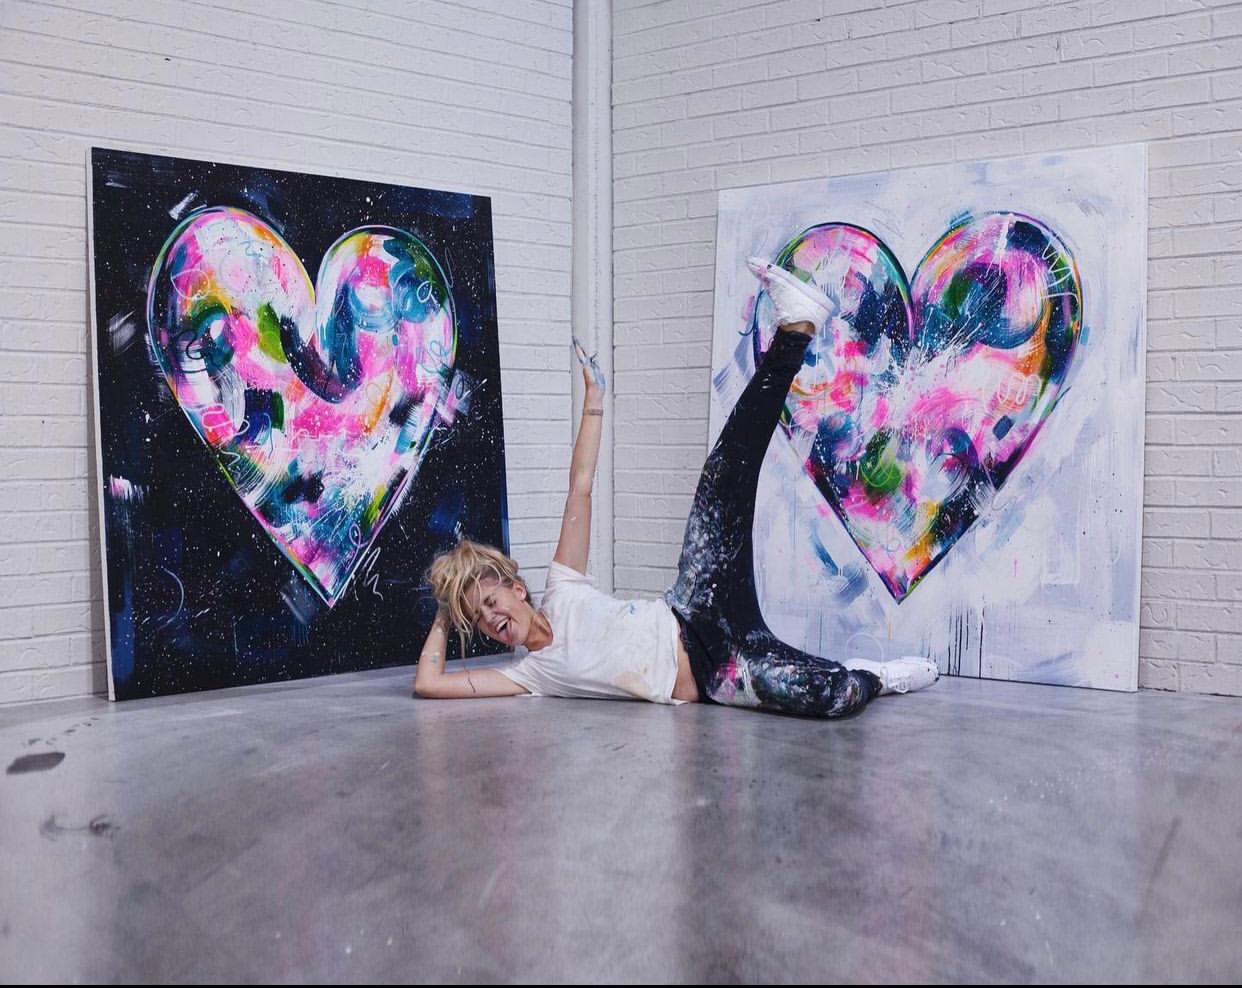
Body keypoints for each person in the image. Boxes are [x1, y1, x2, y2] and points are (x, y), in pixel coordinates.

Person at [412, 259, 939, 716]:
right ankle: (877, 676)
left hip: (695, 606)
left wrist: (594, 400)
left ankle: (795, 328)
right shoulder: (530, 675)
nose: (492, 618)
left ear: (516, 588)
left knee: (721, 484)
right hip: (718, 676)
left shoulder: (563, 589)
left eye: (490, 601)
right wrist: (447, 609)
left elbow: (581, 487)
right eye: (479, 618)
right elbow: (429, 684)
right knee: (832, 696)